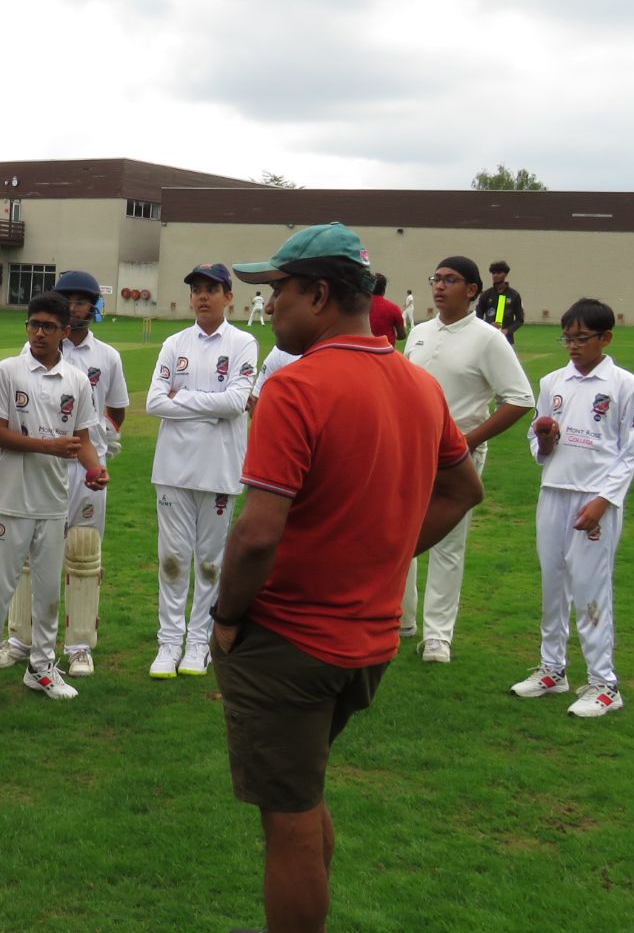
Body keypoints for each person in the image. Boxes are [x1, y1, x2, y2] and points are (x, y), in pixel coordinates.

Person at [212, 222, 483, 931]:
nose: (268, 305)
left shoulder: (296, 386)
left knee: (290, 824)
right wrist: (388, 559)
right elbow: (461, 491)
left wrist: (226, 616)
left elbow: (256, 533)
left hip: (289, 640)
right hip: (367, 642)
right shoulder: (420, 386)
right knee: (304, 792)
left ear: (321, 293)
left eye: (278, 290)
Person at [0, 292, 106, 709]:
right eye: (33, 325)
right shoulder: (8, 371)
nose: (39, 333)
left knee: (47, 595)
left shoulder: (76, 380)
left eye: (47, 326)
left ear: (64, 331)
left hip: (53, 503)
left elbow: (82, 439)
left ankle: (42, 667)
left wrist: (95, 471)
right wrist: (47, 447)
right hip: (9, 503)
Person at [0, 270, 128, 677]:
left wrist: (99, 455)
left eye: (82, 300)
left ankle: (80, 645)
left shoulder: (106, 356)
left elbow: (117, 408)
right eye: (67, 299)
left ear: (92, 306)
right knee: (29, 555)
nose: (74, 306)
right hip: (39, 467)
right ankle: (21, 638)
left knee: (83, 551)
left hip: (84, 469)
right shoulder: (32, 346)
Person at [514, 298, 634, 718]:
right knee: (553, 585)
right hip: (553, 491)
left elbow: (629, 453)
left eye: (581, 338)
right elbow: (539, 444)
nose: (572, 346)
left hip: (595, 498)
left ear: (605, 338)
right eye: (567, 338)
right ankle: (553, 669)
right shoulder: (553, 382)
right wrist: (546, 437)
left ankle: (605, 685)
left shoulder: (625, 385)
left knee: (590, 589)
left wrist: (603, 502)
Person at [400, 256, 534, 662]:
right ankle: (399, 619)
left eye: (450, 280)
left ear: (472, 290)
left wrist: (466, 441)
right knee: (401, 534)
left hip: (458, 457)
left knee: (447, 543)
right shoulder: (418, 333)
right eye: (436, 278)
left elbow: (520, 399)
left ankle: (438, 636)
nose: (439, 286)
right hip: (411, 453)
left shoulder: (487, 338)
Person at [145, 262, 257, 679]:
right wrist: (212, 405)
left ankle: (198, 643)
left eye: (212, 289)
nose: (203, 296)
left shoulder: (243, 342)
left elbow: (236, 402)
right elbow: (155, 402)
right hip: (173, 467)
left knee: (210, 561)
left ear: (229, 296)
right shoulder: (175, 342)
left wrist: (185, 397)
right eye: (197, 289)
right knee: (172, 559)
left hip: (220, 467)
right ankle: (168, 643)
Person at [475, 260, 526, 344]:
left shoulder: (513, 295)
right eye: (493, 273)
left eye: (498, 273)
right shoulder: (486, 295)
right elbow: (477, 317)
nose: (495, 275)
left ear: (505, 274)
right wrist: (488, 326)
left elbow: (519, 320)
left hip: (507, 340)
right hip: (488, 339)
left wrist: (508, 330)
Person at [368, 273, 406, 348]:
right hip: (387, 352)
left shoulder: (360, 308)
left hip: (366, 353)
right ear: (384, 289)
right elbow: (402, 335)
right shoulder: (393, 308)